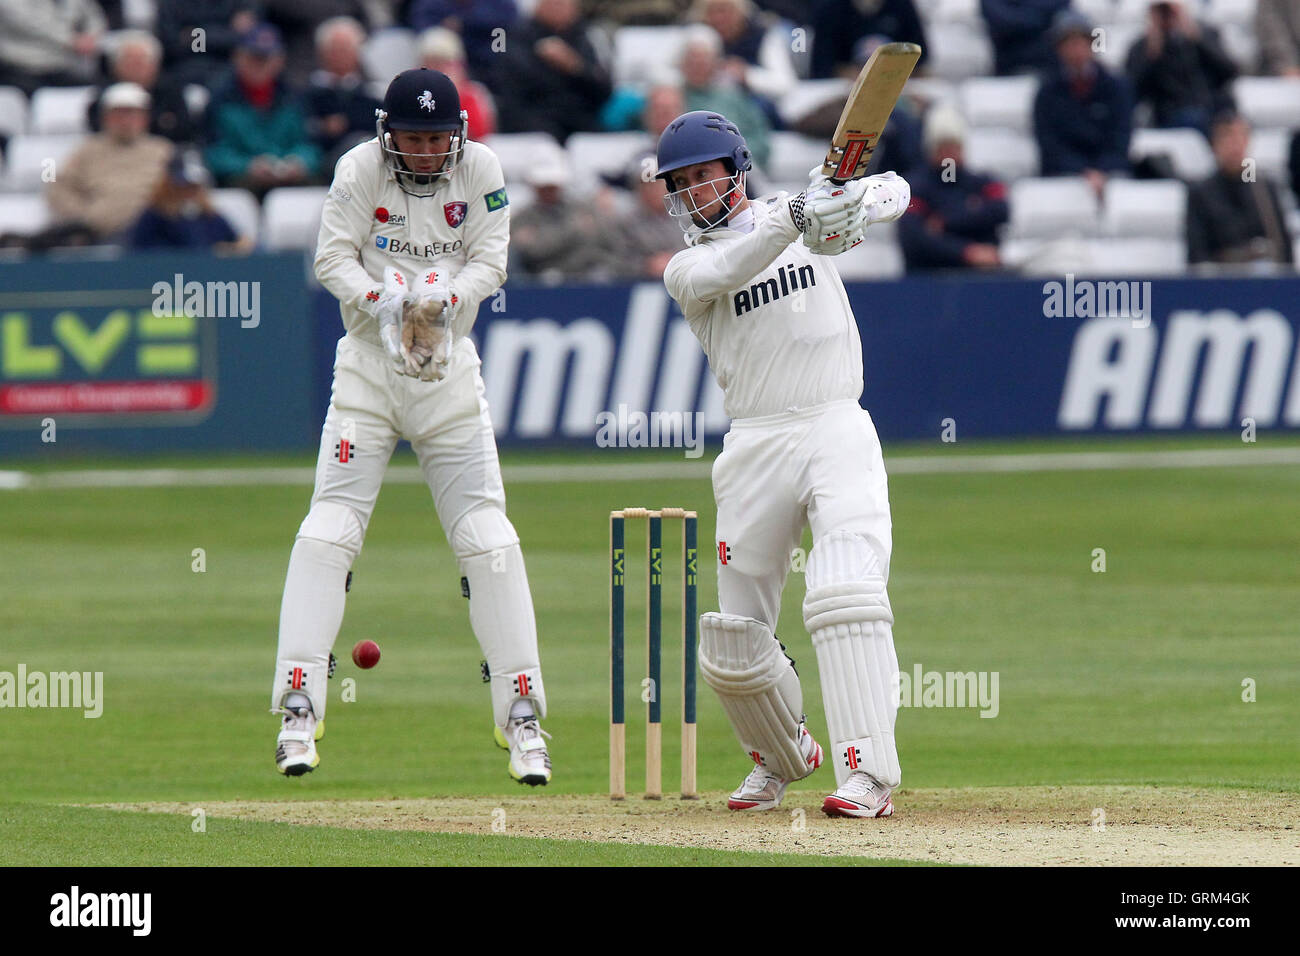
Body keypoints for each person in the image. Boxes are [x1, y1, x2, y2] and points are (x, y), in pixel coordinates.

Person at [270, 68, 553, 788]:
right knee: (330, 527)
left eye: (437, 138)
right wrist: (386, 302)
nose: (426, 152)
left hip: (449, 375)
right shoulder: (359, 169)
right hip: (367, 371)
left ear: (456, 132)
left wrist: (441, 303)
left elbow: (490, 258)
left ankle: (522, 717)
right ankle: (297, 705)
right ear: (386, 132)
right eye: (413, 138)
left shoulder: (481, 168)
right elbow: (332, 256)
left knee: (487, 538)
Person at [656, 110, 910, 818]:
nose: (690, 191)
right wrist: (797, 214)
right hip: (754, 442)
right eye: (677, 182)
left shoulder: (799, 218)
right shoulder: (688, 268)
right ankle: (778, 758)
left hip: (834, 425)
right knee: (734, 639)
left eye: (700, 175)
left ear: (734, 170)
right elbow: (735, 261)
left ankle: (869, 773)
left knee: (844, 595)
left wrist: (849, 200)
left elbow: (898, 192)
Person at [43, 82, 172, 247]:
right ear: (105, 117)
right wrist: (84, 217)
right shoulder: (86, 151)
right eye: (119, 114)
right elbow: (58, 187)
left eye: (132, 114)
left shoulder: (163, 151)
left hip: (155, 236)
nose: (126, 121)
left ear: (145, 118)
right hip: (101, 235)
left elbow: (184, 189)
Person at [204, 23, 322, 196]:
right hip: (241, 184)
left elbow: (311, 144)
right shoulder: (220, 100)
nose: (260, 65)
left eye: (266, 58)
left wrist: (299, 161)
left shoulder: (295, 98)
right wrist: (247, 165)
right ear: (238, 57)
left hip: (289, 179)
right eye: (254, 57)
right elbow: (212, 152)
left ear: (280, 60)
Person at [1033, 10, 1133, 197]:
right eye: (1069, 44)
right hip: (1063, 175)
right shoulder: (1046, 92)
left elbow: (1121, 137)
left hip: (1110, 173)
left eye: (1080, 43)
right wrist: (1082, 171)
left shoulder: (1116, 87)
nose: (1076, 50)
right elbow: (1049, 144)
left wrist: (1102, 170)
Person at [898, 103, 1008, 272]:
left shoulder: (983, 182)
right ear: (931, 150)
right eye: (943, 148)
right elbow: (915, 238)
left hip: (980, 276)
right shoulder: (912, 188)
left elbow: (1000, 210)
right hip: (927, 279)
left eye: (954, 147)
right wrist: (966, 252)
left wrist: (945, 221)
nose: (949, 155)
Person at [1186, 111, 1294, 267]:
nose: (1234, 144)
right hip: (1220, 278)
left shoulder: (1263, 188)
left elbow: (1283, 245)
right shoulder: (1201, 192)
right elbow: (1197, 252)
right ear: (1214, 144)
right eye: (1227, 137)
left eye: (1239, 137)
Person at [1125, 1, 1236, 136]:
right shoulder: (1142, 47)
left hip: (1211, 110)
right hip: (1168, 114)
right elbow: (1132, 90)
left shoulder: (1205, 36)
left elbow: (1229, 71)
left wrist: (1196, 38)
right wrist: (1152, 51)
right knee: (1193, 119)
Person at [129, 152, 253, 253]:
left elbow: (238, 242)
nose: (190, 190)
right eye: (183, 185)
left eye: (195, 185)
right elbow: (143, 255)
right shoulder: (154, 217)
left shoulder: (209, 216)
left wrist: (238, 247)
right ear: (168, 184)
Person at [88, 30, 197, 144]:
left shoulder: (171, 92)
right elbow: (98, 128)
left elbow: (182, 130)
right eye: (129, 61)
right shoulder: (106, 94)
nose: (136, 67)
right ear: (115, 66)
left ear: (155, 65)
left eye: (141, 62)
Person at [306, 17, 383, 168]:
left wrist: (347, 122)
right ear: (322, 52)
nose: (340, 56)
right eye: (334, 50)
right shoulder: (307, 92)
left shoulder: (372, 92)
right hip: (320, 160)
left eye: (345, 49)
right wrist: (322, 127)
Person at [418, 27, 497, 140]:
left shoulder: (472, 94)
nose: (435, 69)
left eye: (442, 63)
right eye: (430, 62)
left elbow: (479, 135)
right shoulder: (412, 94)